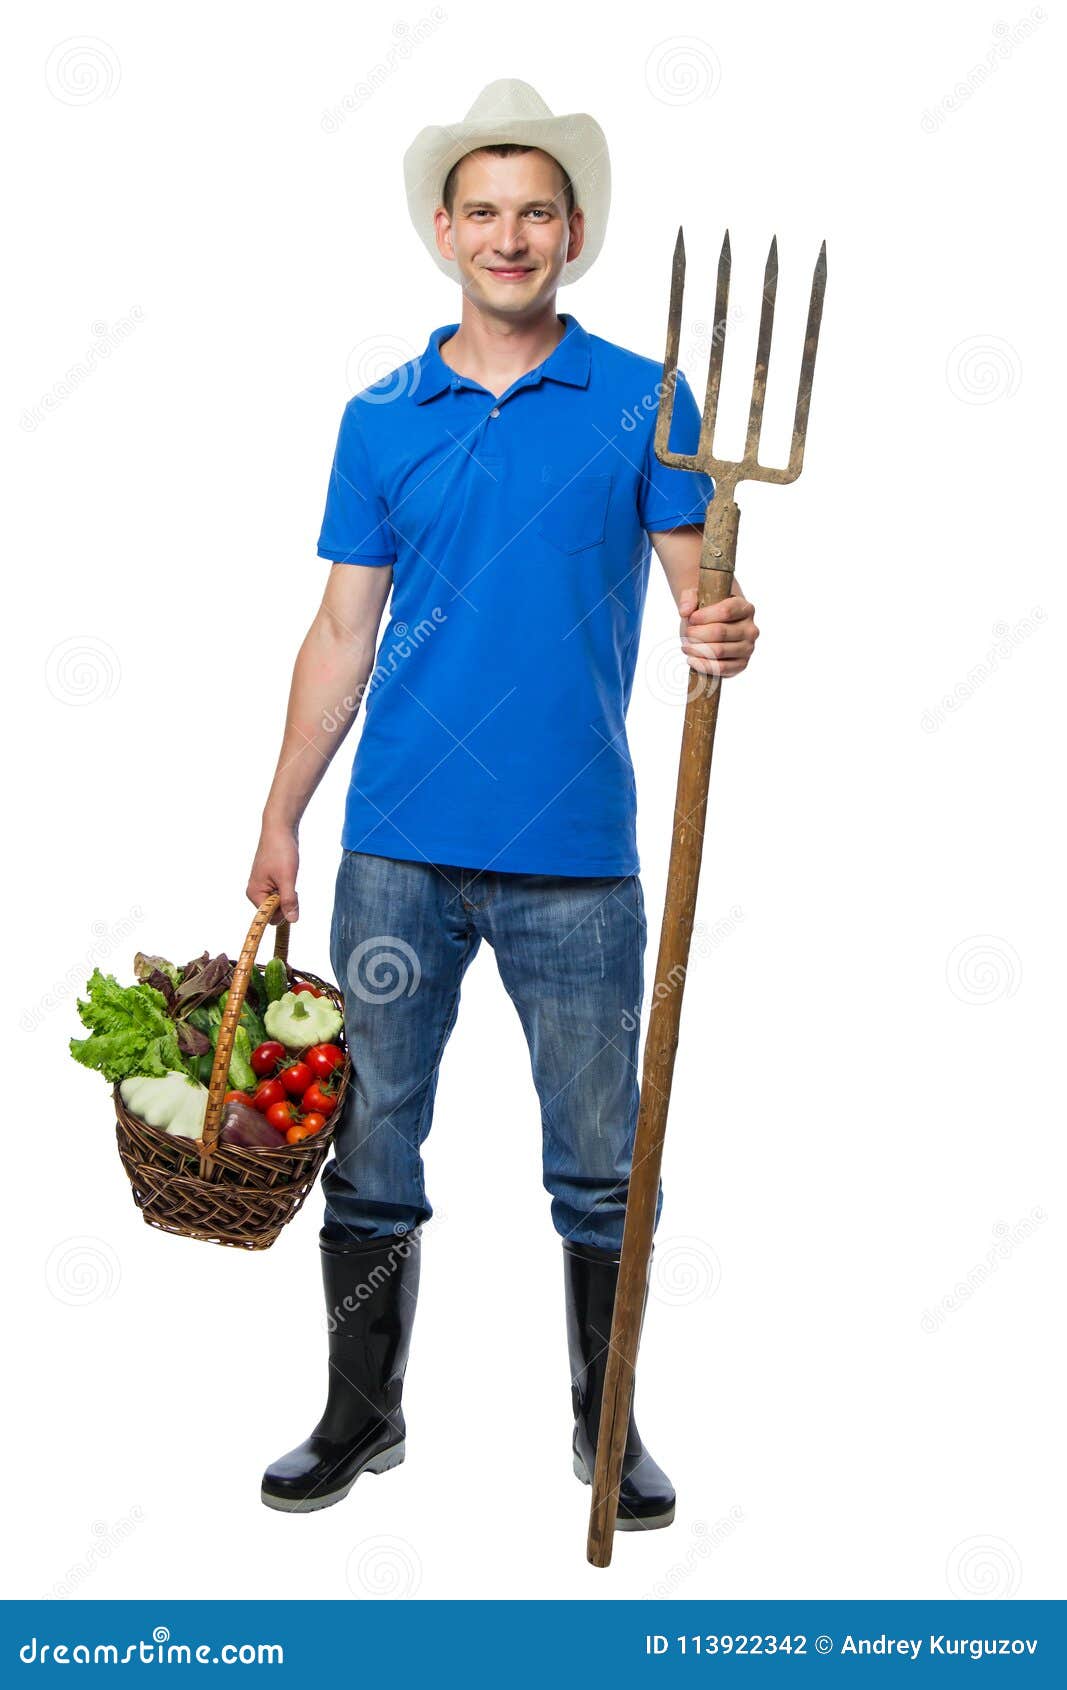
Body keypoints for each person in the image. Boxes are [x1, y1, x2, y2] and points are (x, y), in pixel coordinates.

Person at [248, 80, 759, 1528]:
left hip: (578, 858)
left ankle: (608, 1422)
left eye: (537, 209)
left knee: (605, 1165)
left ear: (575, 231)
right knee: (371, 1147)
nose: (511, 233)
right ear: (444, 231)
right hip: (397, 851)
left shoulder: (646, 402)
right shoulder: (381, 416)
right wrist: (282, 814)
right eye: (484, 209)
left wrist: (725, 625)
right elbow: (343, 632)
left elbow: (696, 596)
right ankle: (362, 1411)